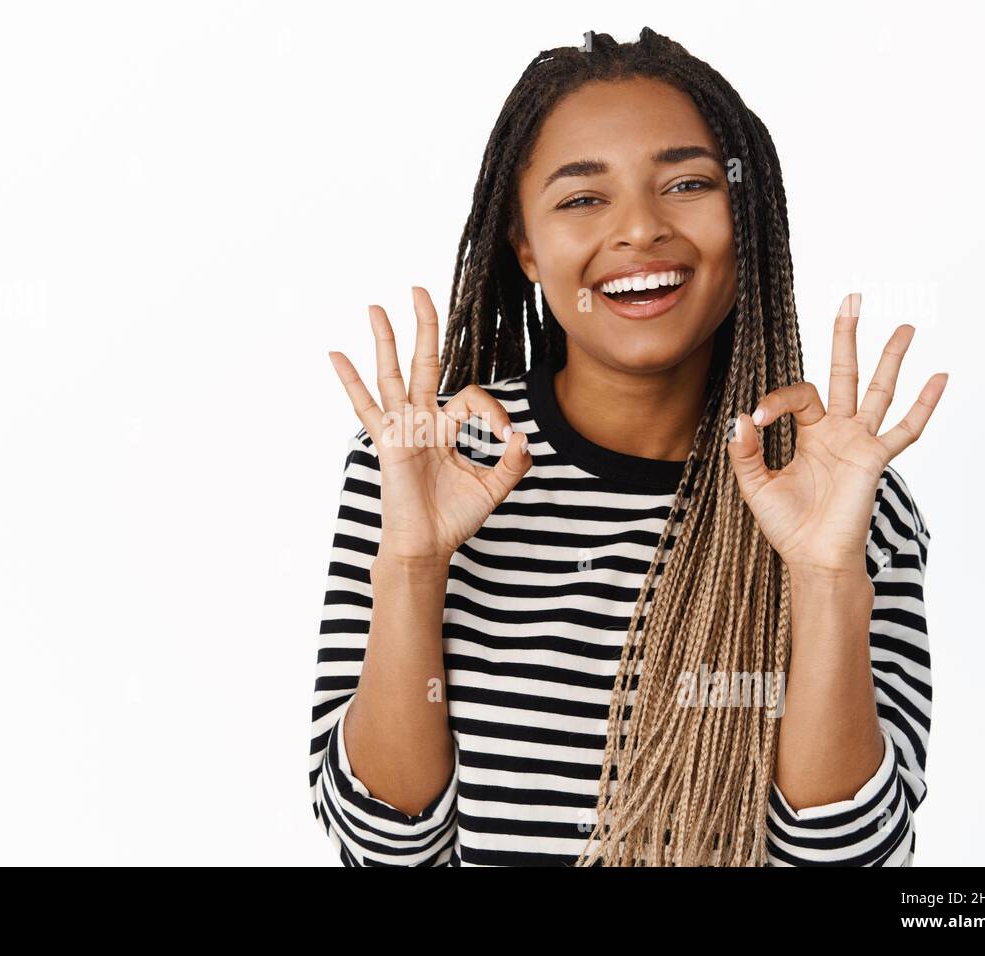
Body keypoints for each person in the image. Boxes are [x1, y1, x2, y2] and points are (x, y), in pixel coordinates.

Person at [312, 27, 945, 866]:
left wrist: (826, 581)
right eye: (582, 198)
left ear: (745, 217)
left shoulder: (845, 494)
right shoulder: (415, 465)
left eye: (686, 184)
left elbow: (851, 861)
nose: (641, 230)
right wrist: (414, 566)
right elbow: (384, 850)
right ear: (526, 245)